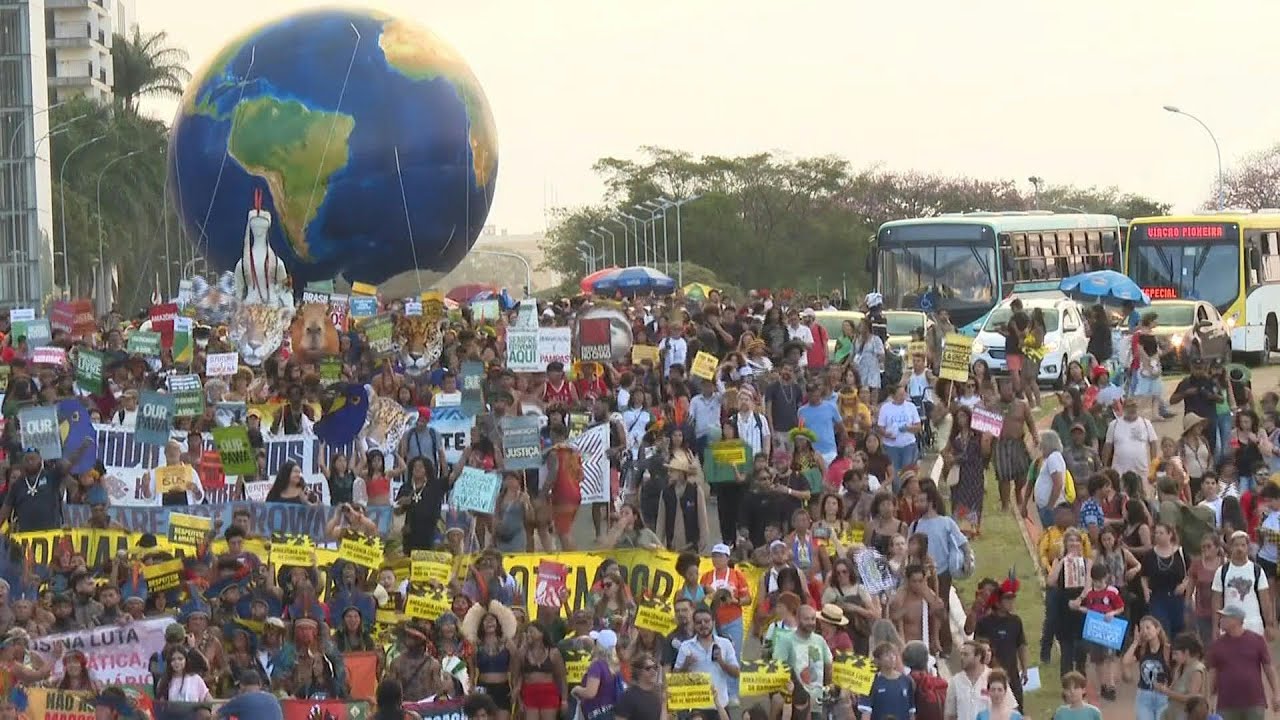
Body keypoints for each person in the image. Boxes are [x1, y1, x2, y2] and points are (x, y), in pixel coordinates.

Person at [1207, 604, 1280, 720]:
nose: (1221, 621)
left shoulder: (1257, 640)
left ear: (1236, 620)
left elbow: (1269, 668)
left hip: (1254, 702)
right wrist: (1207, 698)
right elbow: (1212, 673)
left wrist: (1276, 694)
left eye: (1224, 617)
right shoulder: (1217, 645)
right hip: (1227, 704)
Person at [1211, 529, 1274, 638]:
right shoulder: (1222, 571)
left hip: (1254, 626)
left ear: (1247, 547)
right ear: (1230, 547)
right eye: (1236, 545)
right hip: (1229, 627)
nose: (1239, 548)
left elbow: (1265, 600)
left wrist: (1268, 624)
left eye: (1243, 545)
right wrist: (1215, 626)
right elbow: (1216, 601)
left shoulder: (1257, 571)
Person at [615, 652, 663, 720]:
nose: (653, 671)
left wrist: (664, 703)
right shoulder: (628, 696)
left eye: (655, 667)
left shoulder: (657, 694)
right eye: (648, 668)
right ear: (638, 672)